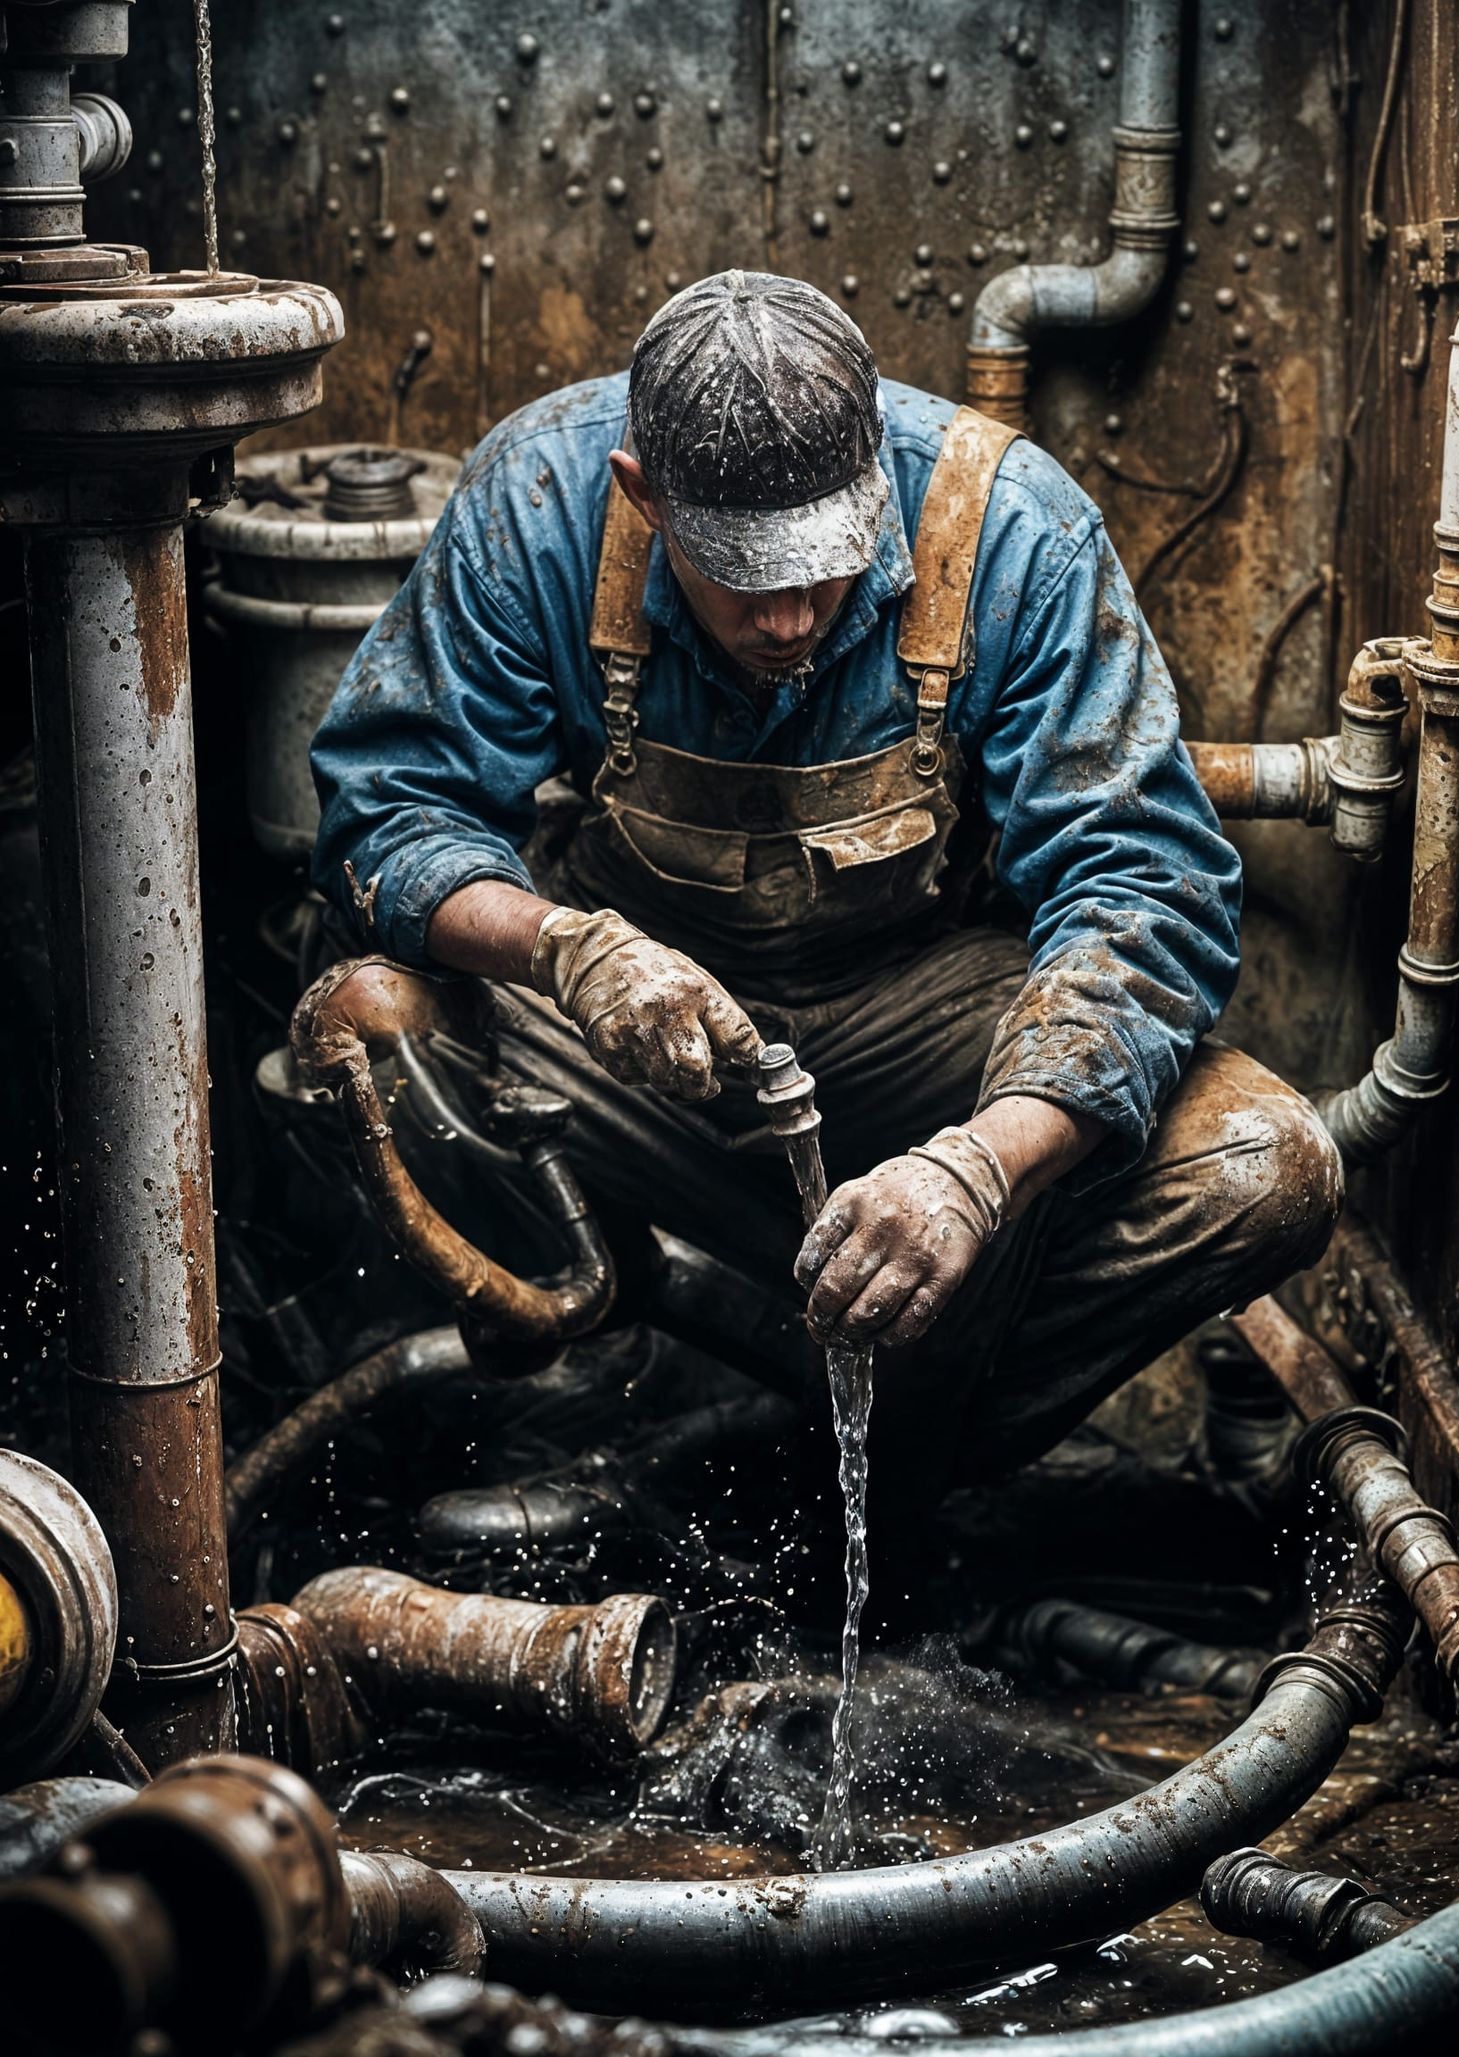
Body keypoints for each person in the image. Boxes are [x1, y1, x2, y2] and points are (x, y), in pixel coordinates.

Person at [310, 270, 1341, 1564]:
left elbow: (1142, 883)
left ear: (876, 478)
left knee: (1267, 1163)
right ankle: (610, 1370)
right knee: (365, 1023)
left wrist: (979, 1166)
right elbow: (385, 809)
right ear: (643, 493)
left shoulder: (1009, 526)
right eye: (744, 577)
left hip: (917, 1023)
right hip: (635, 1032)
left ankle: (841, 1465)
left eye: (827, 566)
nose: (791, 618)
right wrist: (567, 948)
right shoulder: (544, 503)